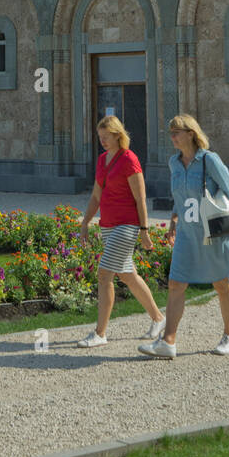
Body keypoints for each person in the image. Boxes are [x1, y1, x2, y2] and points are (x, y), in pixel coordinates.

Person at [138, 114, 229, 359]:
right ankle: (168, 341)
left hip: (212, 232)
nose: (173, 137)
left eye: (177, 132)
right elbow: (180, 196)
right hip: (186, 234)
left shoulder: (210, 160)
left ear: (191, 133)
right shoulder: (173, 163)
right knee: (176, 283)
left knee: (221, 283)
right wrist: (173, 220)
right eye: (171, 132)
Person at [76, 115, 165, 347]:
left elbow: (141, 198)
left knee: (104, 274)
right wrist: (85, 222)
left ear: (117, 135)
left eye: (106, 137)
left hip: (126, 226)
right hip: (107, 225)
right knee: (128, 275)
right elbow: (96, 195)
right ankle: (158, 318)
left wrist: (144, 229)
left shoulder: (129, 159)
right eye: (100, 137)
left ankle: (100, 333)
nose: (103, 141)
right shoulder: (102, 160)